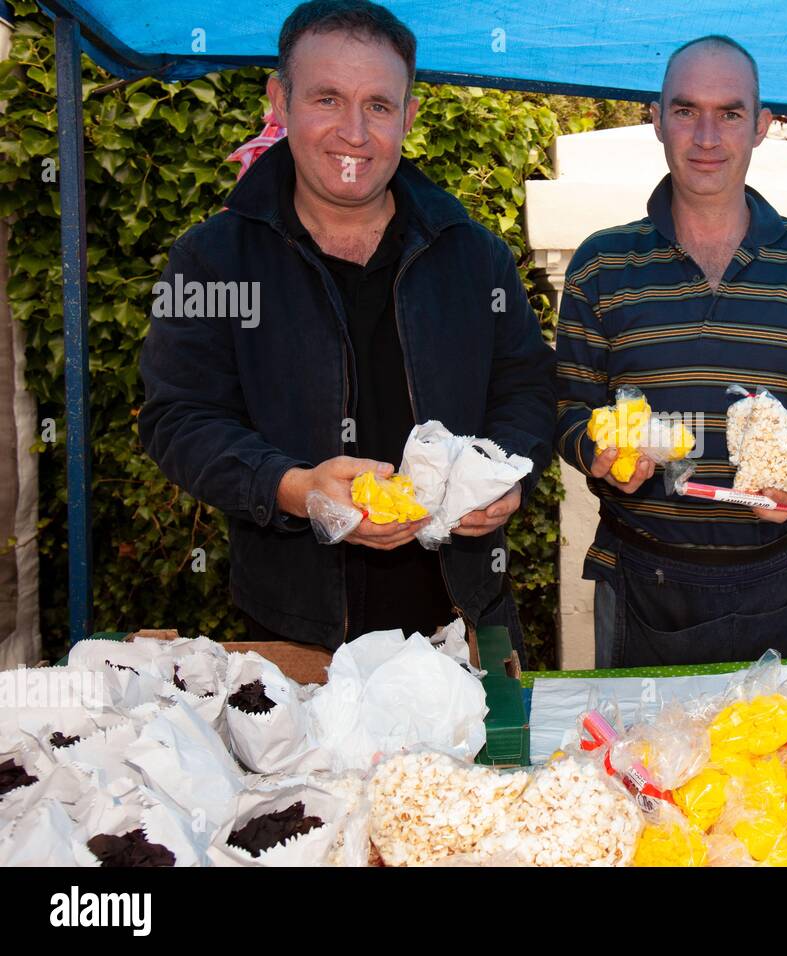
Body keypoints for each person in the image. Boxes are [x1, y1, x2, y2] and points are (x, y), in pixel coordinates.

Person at [140, 0, 555, 658]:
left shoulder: (473, 256)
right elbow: (178, 417)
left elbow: (528, 387)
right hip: (297, 636)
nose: (354, 133)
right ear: (280, 100)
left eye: (379, 106)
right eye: (327, 99)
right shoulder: (214, 259)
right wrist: (293, 488)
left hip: (466, 622)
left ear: (409, 117)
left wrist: (506, 472)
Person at [555, 35, 787, 668]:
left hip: (776, 581)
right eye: (685, 110)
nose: (707, 135)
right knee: (637, 764)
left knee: (779, 763)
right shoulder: (602, 263)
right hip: (640, 582)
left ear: (761, 126)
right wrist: (597, 450)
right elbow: (568, 407)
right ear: (657, 119)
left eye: (730, 113)